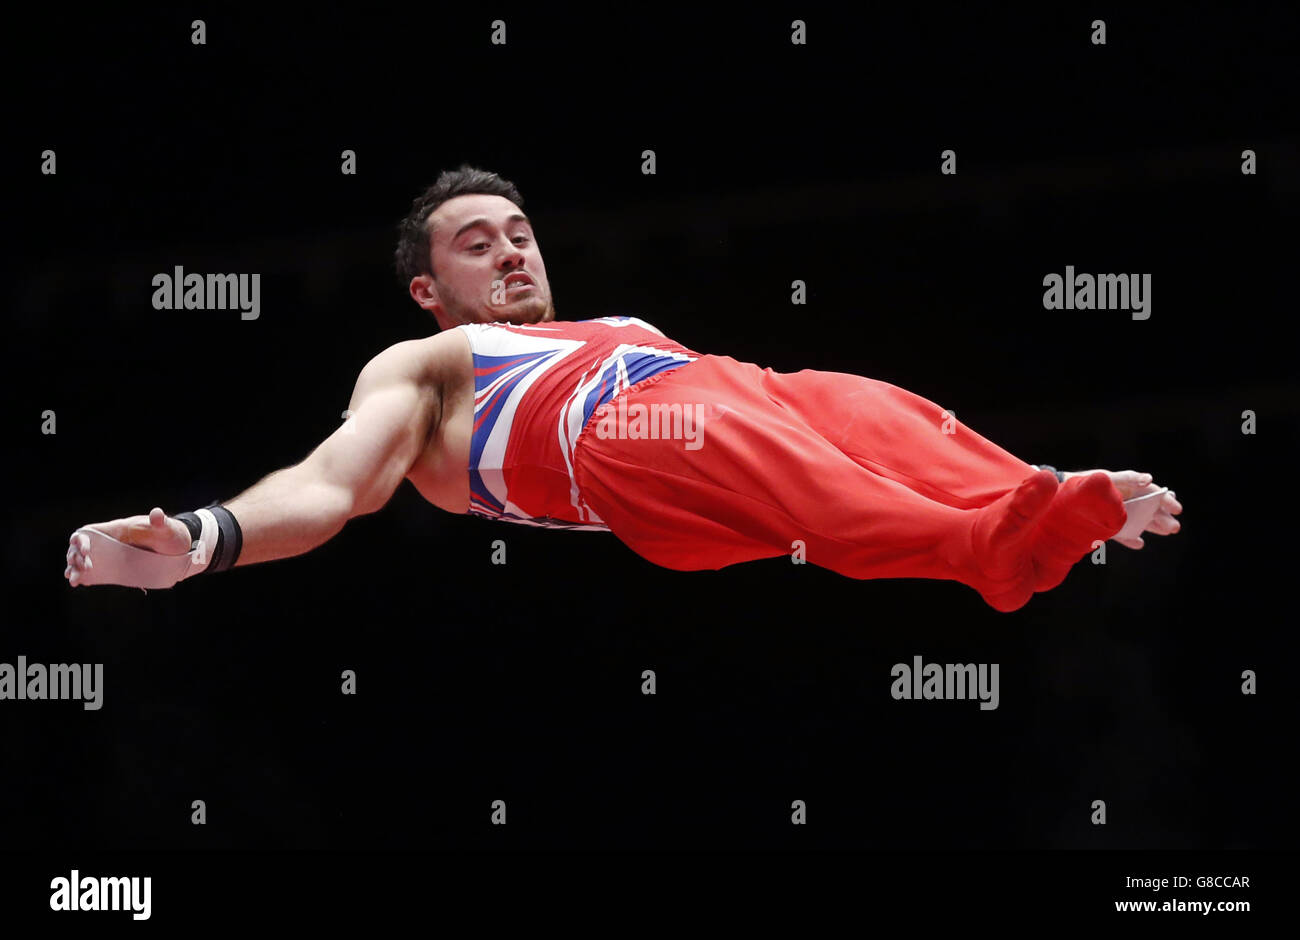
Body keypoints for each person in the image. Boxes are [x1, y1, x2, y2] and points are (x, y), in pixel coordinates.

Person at [64, 166, 1183, 612]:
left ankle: (1034, 500)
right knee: (742, 426)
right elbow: (332, 486)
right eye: (474, 246)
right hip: (621, 443)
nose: (509, 254)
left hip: (698, 447)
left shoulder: (619, 326)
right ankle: (991, 545)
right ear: (425, 288)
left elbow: (779, 415)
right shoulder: (428, 366)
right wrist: (211, 537)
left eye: (519, 232)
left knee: (856, 407)